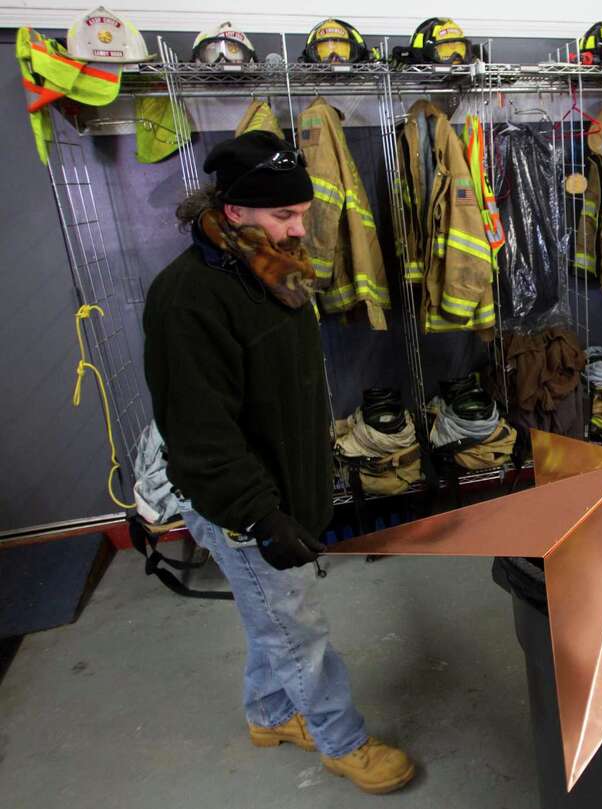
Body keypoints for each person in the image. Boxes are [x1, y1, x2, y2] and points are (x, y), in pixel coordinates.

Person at [142, 131, 414, 795]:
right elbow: (202, 434)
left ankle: (270, 714)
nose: (299, 229)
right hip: (241, 501)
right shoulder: (188, 298)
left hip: (285, 484)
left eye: (302, 213)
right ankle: (342, 741)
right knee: (298, 628)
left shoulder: (273, 270)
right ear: (233, 211)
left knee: (272, 613)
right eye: (284, 216)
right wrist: (261, 513)